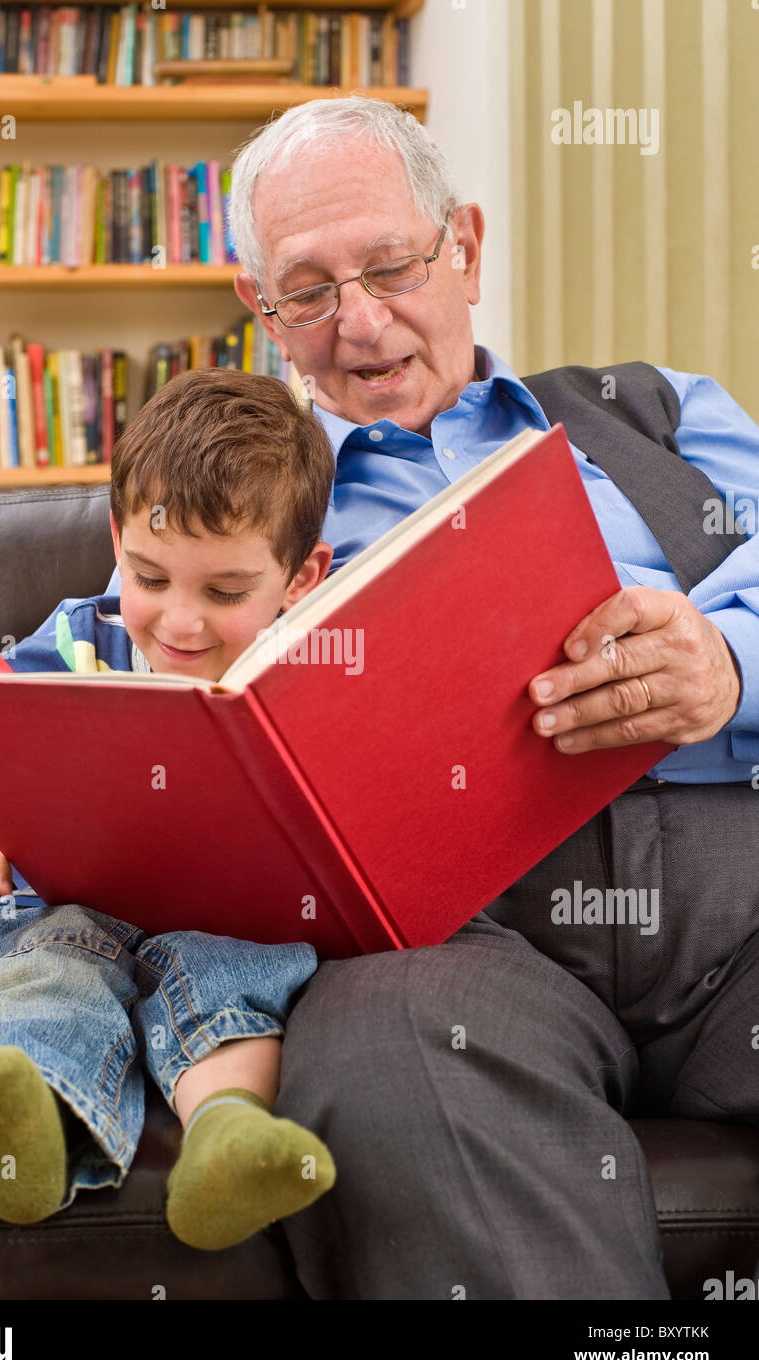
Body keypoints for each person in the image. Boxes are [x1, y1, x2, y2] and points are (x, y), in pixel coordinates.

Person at [214, 94, 756, 1299]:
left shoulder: (661, 413)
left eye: (391, 265)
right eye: (305, 292)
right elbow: (113, 686)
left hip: (739, 882)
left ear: (462, 245)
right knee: (390, 1051)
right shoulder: (234, 504)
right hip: (461, 940)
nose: (357, 323)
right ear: (262, 313)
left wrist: (725, 662)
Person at [0, 368, 338, 1251]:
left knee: (237, 991)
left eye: (226, 592)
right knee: (39, 981)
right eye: (149, 576)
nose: (181, 623)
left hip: (228, 928)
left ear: (301, 577)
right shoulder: (84, 639)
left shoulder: (318, 671)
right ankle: (26, 1132)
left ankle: (229, 1138)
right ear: (117, 536)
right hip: (60, 918)